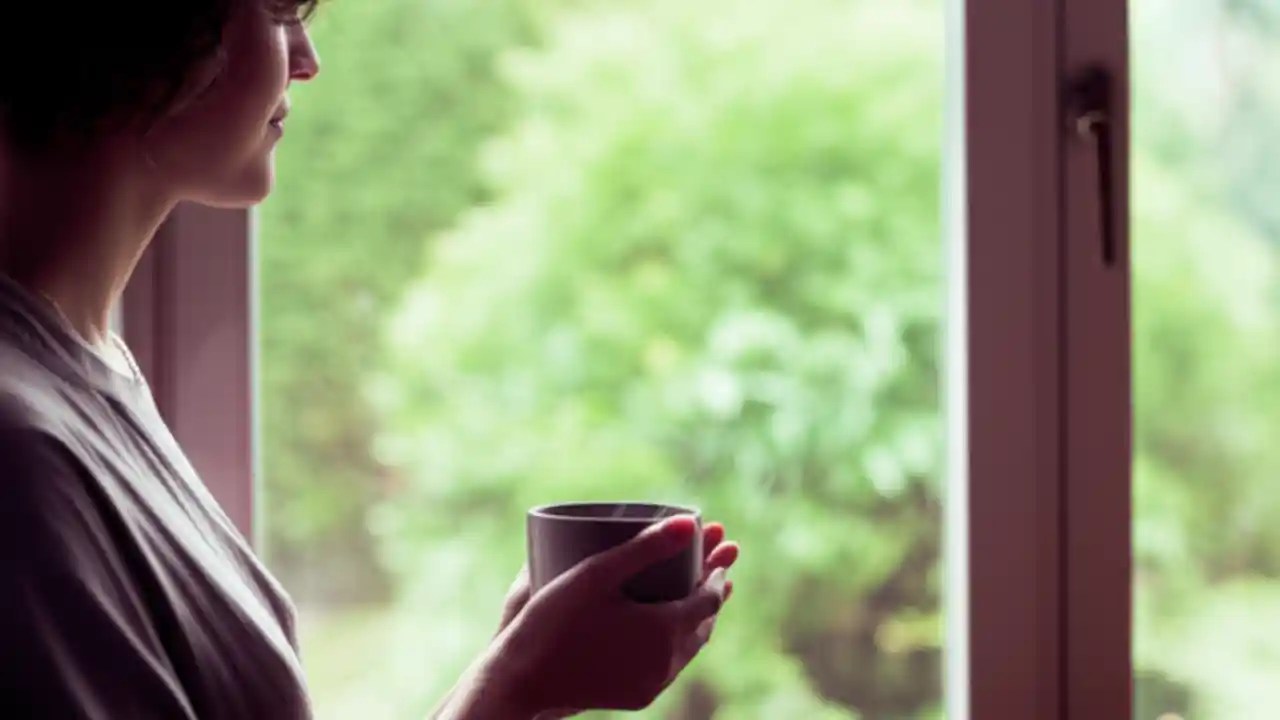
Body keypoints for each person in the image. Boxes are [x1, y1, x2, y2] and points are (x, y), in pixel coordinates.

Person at [0, 1, 740, 718]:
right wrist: (514, 683)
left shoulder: (86, 370)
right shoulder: (21, 454)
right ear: (148, 31)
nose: (309, 62)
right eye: (282, 12)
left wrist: (525, 678)